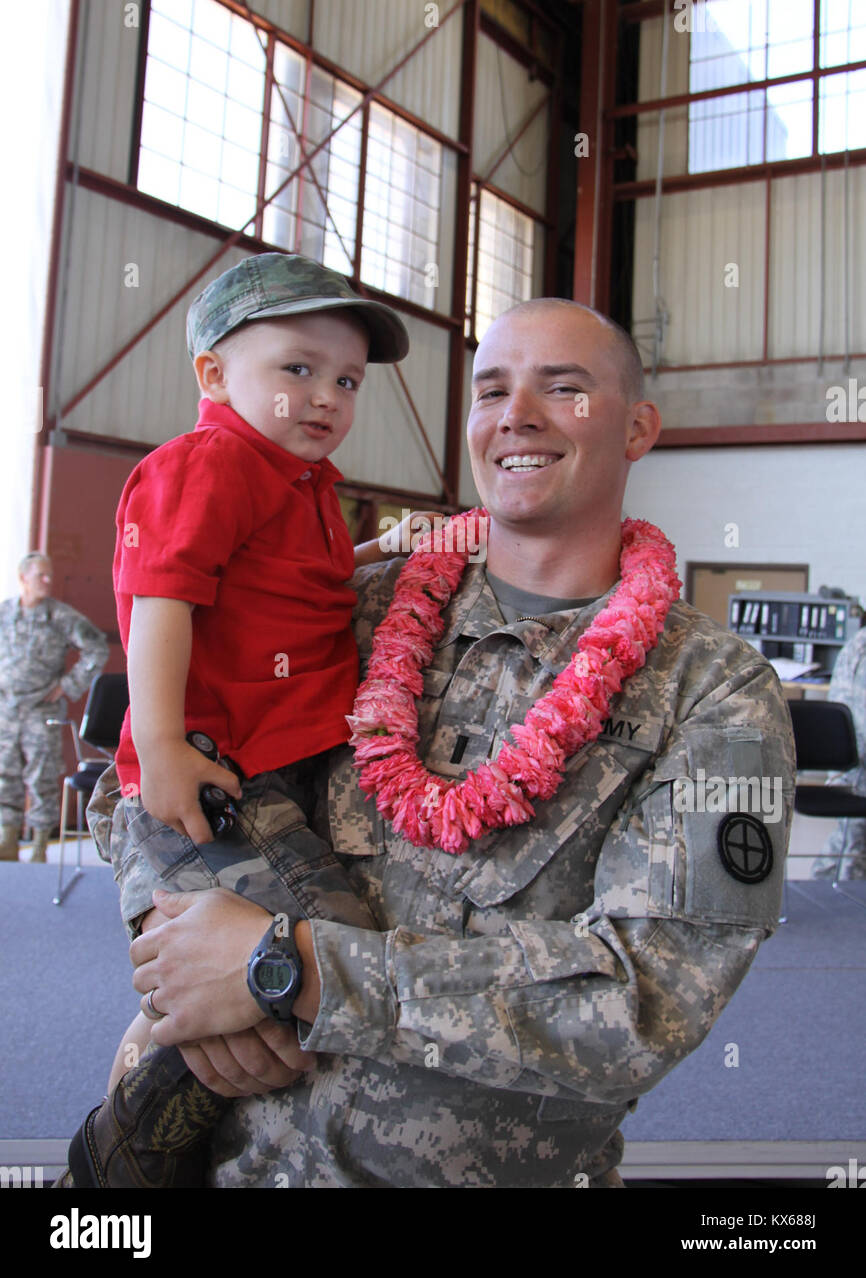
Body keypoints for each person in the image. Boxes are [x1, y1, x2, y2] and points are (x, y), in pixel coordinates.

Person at [118, 298, 795, 1188]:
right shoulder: (345, 616)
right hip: (241, 1165)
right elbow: (161, 766)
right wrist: (179, 945)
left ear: (637, 428)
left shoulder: (716, 690)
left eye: (563, 388)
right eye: (491, 391)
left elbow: (646, 1002)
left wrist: (286, 971)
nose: (517, 415)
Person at [65, 252, 412, 1187]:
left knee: (290, 988)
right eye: (296, 368)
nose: (326, 395)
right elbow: (159, 602)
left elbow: (299, 587)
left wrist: (389, 548)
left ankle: (158, 1146)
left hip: (277, 778)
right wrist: (163, 743)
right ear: (214, 375)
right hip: (221, 776)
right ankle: (117, 1160)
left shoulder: (304, 485)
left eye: (345, 379)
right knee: (327, 956)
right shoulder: (212, 462)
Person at [0, 552, 108, 861]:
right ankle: (7, 838)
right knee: (4, 774)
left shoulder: (60, 616)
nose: (48, 581)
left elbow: (96, 648)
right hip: (6, 709)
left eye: (50, 575)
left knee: (42, 778)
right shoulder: (5, 613)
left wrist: (68, 685)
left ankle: (38, 845)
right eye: (41, 576)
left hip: (41, 711)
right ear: (23, 578)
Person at [812, 623, 866, 880]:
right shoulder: (861, 647)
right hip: (858, 769)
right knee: (854, 834)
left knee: (851, 835)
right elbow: (857, 729)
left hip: (852, 767)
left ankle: (826, 882)